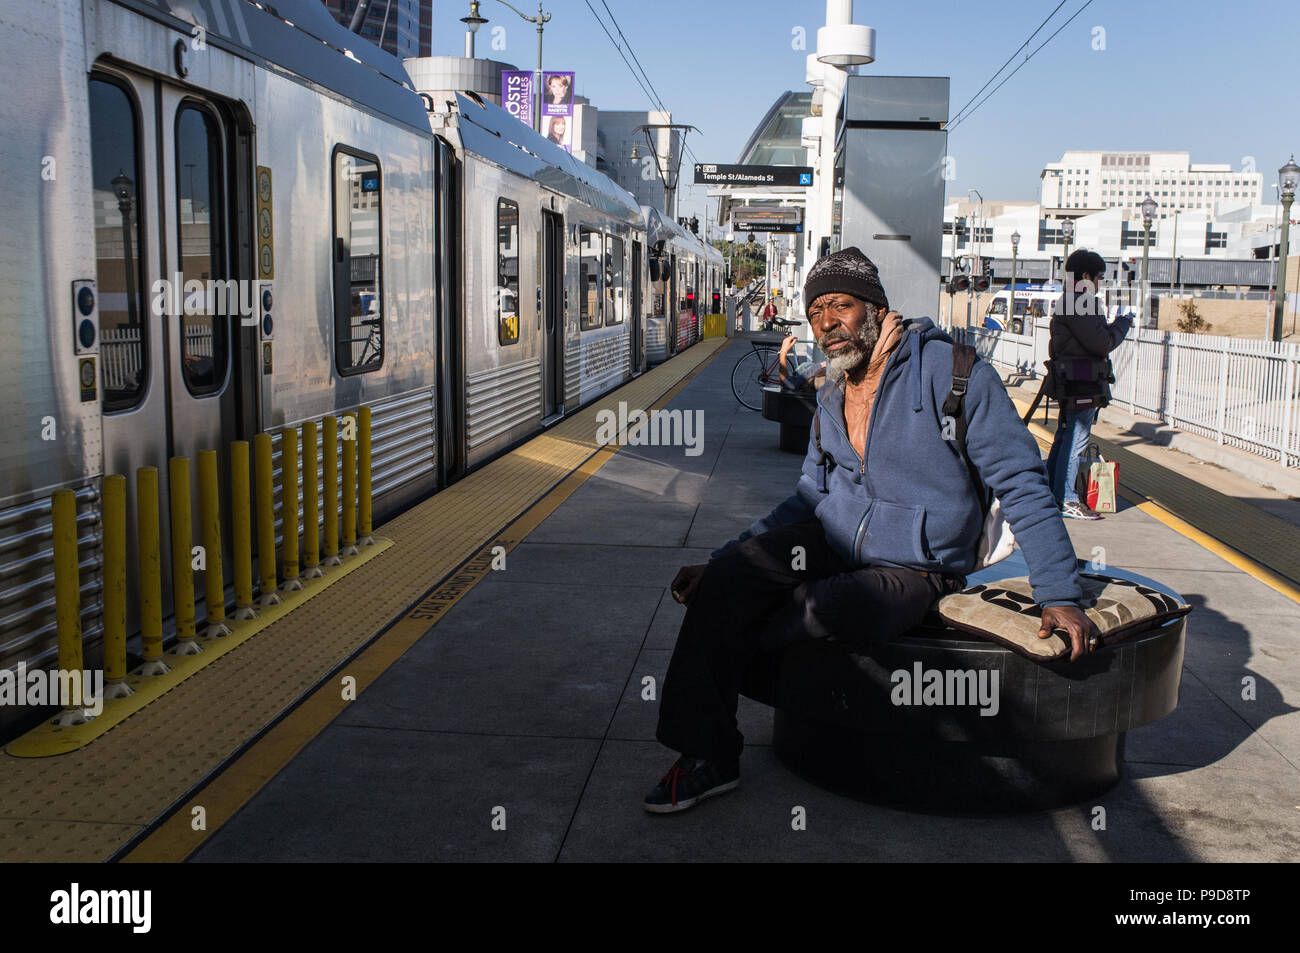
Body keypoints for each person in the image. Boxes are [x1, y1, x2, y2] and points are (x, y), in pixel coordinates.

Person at [644, 246, 1098, 814]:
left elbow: (1023, 482)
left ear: (877, 309)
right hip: (833, 539)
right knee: (727, 582)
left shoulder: (953, 374)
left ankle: (738, 650)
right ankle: (707, 755)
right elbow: (809, 495)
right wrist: (726, 559)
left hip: (916, 565)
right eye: (816, 313)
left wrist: (1059, 593)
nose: (827, 323)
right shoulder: (830, 389)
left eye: (841, 306)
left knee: (826, 607)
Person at [1044, 248, 1133, 520]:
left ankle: (1052, 492)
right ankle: (1066, 499)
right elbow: (1101, 342)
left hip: (1071, 378)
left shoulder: (1069, 300)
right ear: (1086, 276)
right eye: (1099, 277)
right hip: (1081, 380)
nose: (1100, 283)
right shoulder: (1081, 302)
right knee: (1075, 439)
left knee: (1064, 437)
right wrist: (1122, 324)